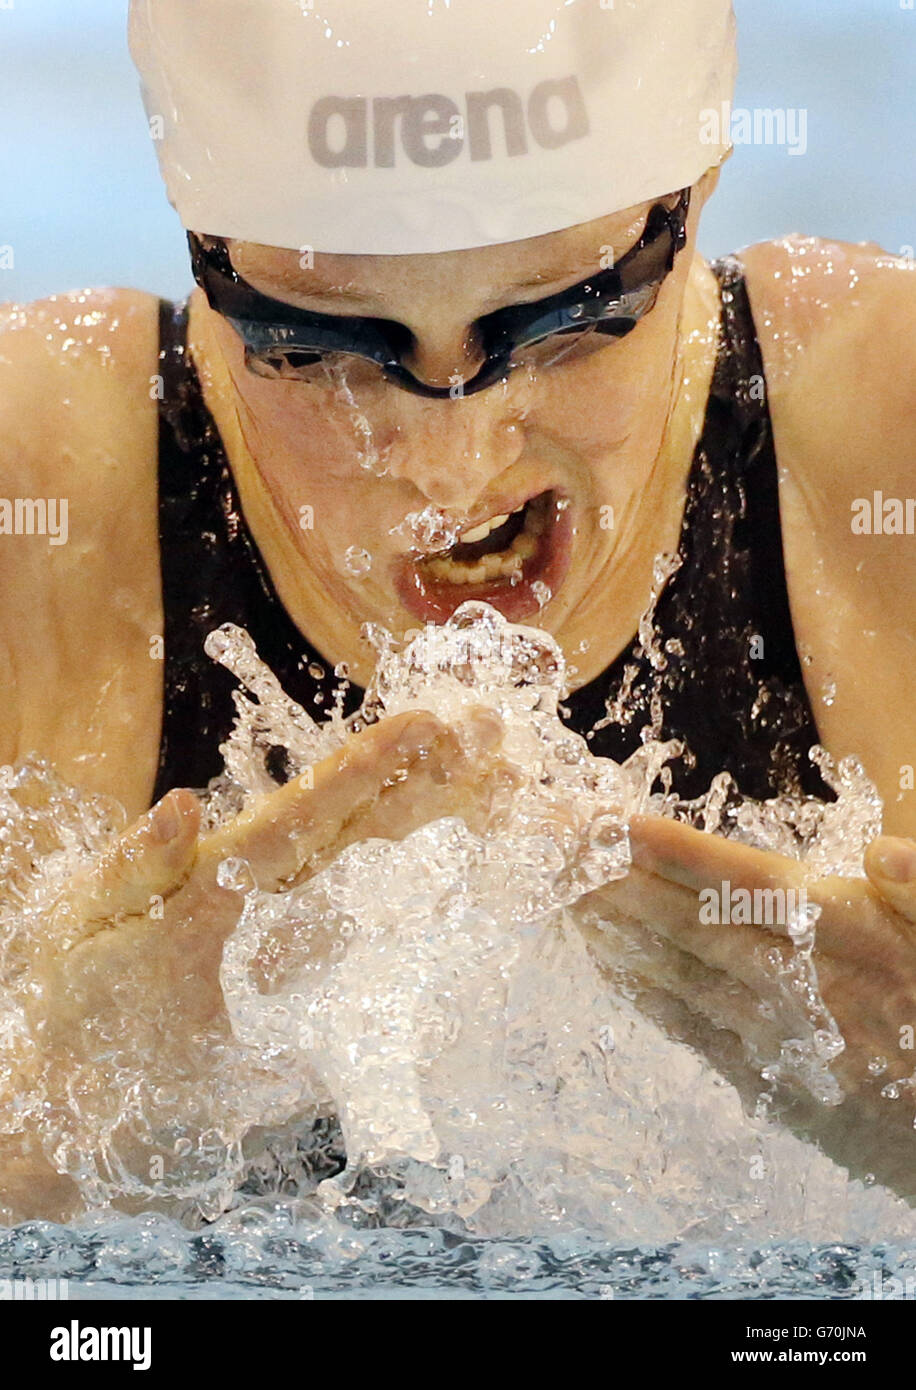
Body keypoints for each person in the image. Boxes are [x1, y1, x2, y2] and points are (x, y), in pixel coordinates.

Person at [1, 0, 915, 1221]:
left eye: (568, 320)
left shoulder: (876, 451)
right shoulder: (42, 509)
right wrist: (55, 1124)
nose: (448, 460)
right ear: (203, 256)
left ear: (696, 195)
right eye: (310, 345)